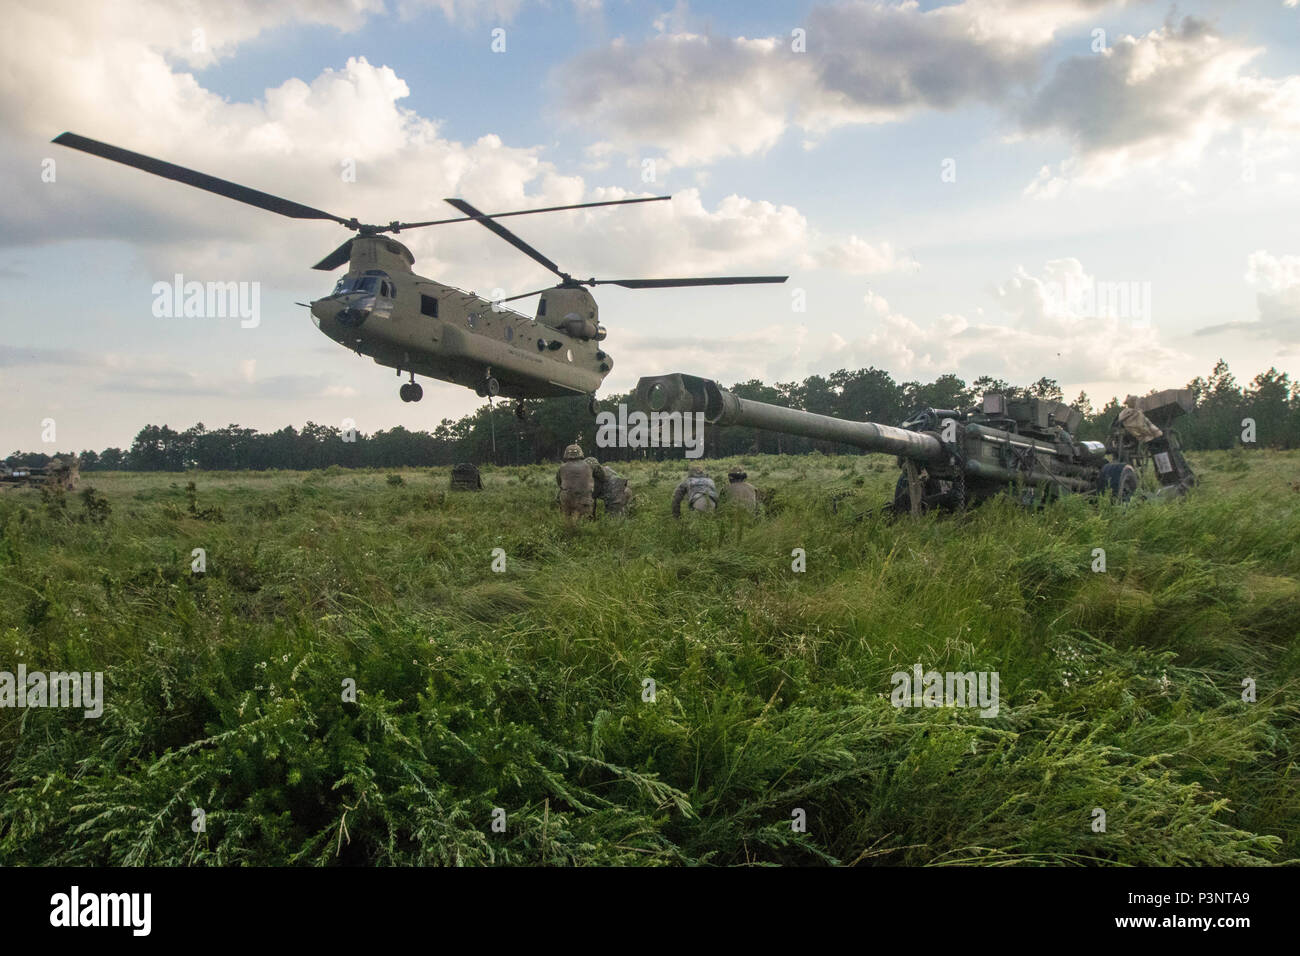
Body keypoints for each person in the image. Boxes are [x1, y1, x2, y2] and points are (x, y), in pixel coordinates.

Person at [556, 444, 595, 519]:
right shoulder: (588, 466)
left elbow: (559, 483)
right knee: (586, 520)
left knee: (567, 519)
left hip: (567, 499)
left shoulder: (562, 467)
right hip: (585, 499)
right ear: (580, 453)